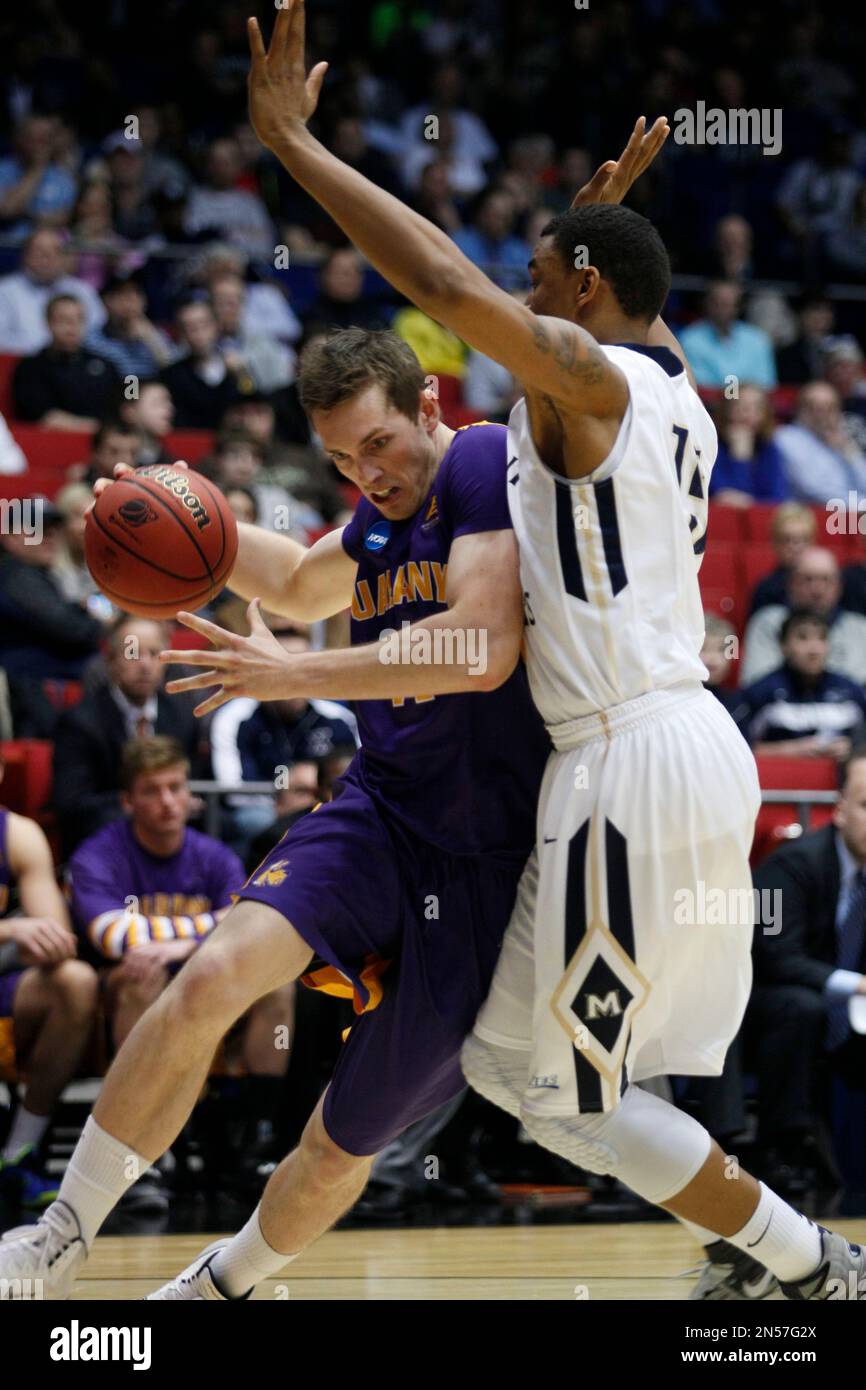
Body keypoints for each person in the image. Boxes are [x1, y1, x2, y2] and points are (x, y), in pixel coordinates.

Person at [209, 16, 859, 1305]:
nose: (521, 293)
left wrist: (295, 149)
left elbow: (448, 291)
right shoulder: (669, 379)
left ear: (580, 293)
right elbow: (600, 300)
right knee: (528, 1070)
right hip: (679, 748)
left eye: (540, 276)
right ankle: (786, 1258)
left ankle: (810, 1265)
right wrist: (588, 228)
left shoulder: (588, 385)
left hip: (626, 758)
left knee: (557, 1091)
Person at [0, 314, 550, 1300]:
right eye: (340, 460)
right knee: (210, 974)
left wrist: (296, 674)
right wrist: (166, 507)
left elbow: (477, 646)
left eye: (378, 444)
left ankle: (217, 1287)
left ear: (429, 403)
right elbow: (295, 582)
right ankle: (58, 1238)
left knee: (339, 1143)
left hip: (486, 865)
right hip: (382, 812)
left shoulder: (476, 463)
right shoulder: (377, 516)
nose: (366, 474)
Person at [0, 752, 99, 1209]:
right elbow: (19, 932)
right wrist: (9, 930)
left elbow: (57, 938)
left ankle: (20, 1149)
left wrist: (35, 936)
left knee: (74, 981)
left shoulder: (18, 834)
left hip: (7, 985)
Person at [52, 615, 201, 855]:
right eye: (133, 653)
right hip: (104, 847)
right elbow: (72, 806)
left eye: (154, 654)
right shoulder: (79, 723)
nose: (145, 664)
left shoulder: (182, 715)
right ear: (111, 660)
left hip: (175, 844)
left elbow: (199, 784)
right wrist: (147, 808)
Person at [733, 610, 866, 760]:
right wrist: (789, 750)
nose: (814, 649)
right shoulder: (759, 693)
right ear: (783, 645)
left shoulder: (852, 692)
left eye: (822, 638)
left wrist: (853, 749)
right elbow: (735, 751)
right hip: (778, 775)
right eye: (803, 638)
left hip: (841, 775)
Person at [741, 546, 866, 686]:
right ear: (791, 584)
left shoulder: (861, 628)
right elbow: (755, 684)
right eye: (808, 579)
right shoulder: (768, 623)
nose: (818, 590)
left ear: (839, 587)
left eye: (826, 580)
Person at [11, 295, 121, 431]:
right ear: (48, 322)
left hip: (109, 438)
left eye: (79, 319)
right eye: (64, 319)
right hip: (56, 440)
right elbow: (45, 417)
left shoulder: (104, 364)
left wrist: (133, 399)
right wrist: (99, 428)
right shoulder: (31, 368)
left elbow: (129, 387)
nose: (72, 326)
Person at [0, 229, 105, 355]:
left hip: (76, 361)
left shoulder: (82, 291)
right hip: (22, 361)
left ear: (64, 257)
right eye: (40, 252)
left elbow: (97, 333)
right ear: (25, 256)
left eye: (55, 251)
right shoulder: (5, 291)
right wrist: (45, 355)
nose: (48, 257)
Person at [160, 299, 246, 430]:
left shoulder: (235, 370)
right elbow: (133, 385)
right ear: (181, 333)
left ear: (217, 326)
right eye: (190, 327)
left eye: (204, 324)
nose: (199, 333)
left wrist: (242, 374)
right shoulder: (172, 375)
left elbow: (252, 399)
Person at [774, 381, 866, 503]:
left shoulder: (842, 439)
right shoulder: (786, 437)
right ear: (799, 409)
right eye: (814, 407)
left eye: (830, 408)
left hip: (852, 509)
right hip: (814, 512)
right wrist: (860, 504)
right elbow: (813, 489)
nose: (822, 414)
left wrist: (849, 451)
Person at [677, 280, 777, 391]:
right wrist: (733, 393)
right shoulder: (689, 339)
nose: (722, 310)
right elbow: (695, 385)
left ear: (739, 307)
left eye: (728, 304)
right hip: (706, 401)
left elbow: (766, 384)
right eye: (717, 304)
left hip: (750, 400)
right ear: (706, 304)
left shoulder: (758, 340)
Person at [708, 384, 788, 506]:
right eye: (740, 407)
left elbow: (777, 499)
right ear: (725, 411)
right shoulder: (711, 447)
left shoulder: (769, 449)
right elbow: (723, 498)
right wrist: (740, 460)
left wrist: (748, 502)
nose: (748, 415)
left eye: (757, 408)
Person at [748, 502, 816, 616]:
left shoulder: (826, 586)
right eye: (787, 540)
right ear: (775, 544)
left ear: (813, 541)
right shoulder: (766, 589)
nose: (795, 547)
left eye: (802, 540)